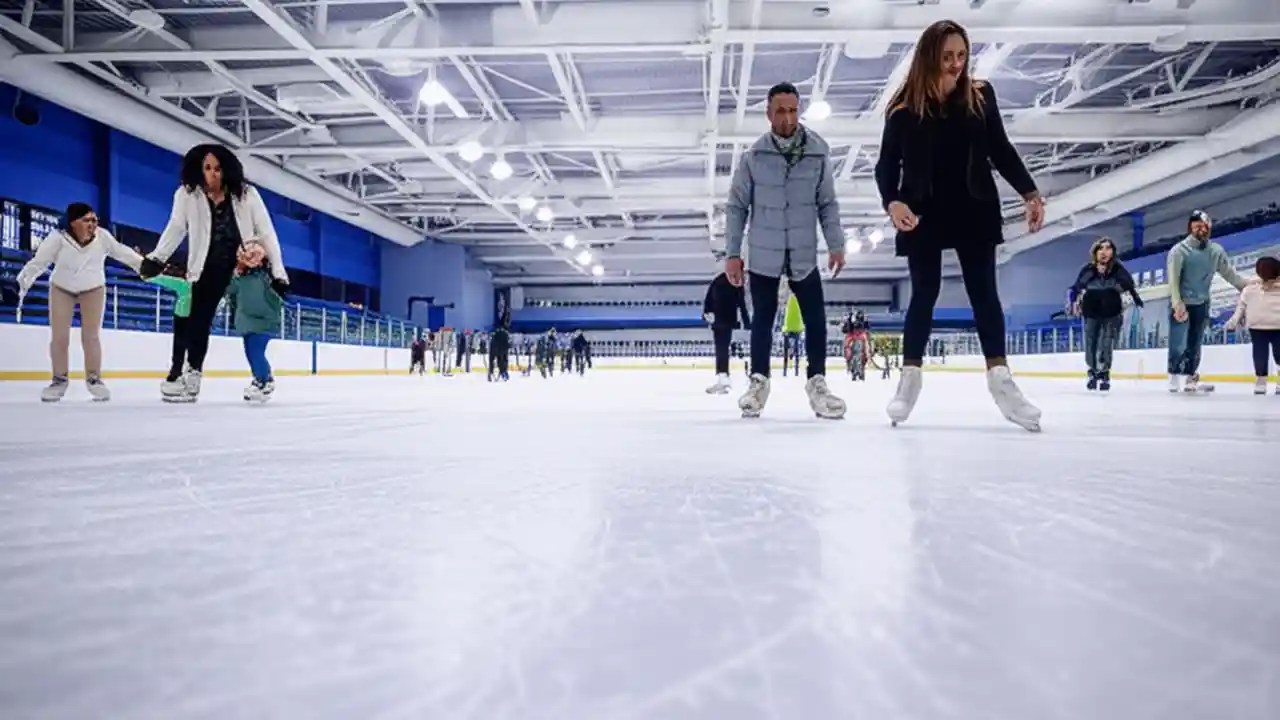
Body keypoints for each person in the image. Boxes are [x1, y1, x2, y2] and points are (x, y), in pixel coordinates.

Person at [874, 19, 1046, 431]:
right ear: (929, 56)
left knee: (984, 292)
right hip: (922, 211)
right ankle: (909, 381)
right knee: (925, 293)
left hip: (974, 205)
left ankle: (1002, 381)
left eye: (961, 56)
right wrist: (892, 201)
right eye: (947, 56)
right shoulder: (902, 109)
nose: (955, 65)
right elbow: (885, 166)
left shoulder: (981, 96)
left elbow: (1000, 149)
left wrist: (1030, 193)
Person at [724, 81, 847, 419]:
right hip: (764, 254)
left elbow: (828, 204)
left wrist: (836, 244)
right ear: (768, 113)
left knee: (816, 320)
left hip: (804, 253)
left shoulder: (818, 153)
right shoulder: (754, 157)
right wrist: (732, 253)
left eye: (793, 110)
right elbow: (736, 207)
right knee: (762, 319)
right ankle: (759, 382)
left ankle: (818, 383)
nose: (788, 118)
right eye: (780, 110)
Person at [139, 144, 289, 402]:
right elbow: (176, 228)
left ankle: (262, 379)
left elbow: (266, 232)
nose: (213, 174)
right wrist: (157, 257)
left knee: (251, 325)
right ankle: (191, 377)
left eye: (218, 168)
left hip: (244, 269)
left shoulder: (247, 194)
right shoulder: (186, 195)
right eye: (207, 168)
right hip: (206, 268)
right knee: (197, 322)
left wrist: (278, 272)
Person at [17, 202, 142, 402]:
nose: (93, 224)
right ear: (74, 222)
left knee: (91, 336)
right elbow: (39, 262)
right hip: (61, 288)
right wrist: (22, 283)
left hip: (93, 288)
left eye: (95, 220)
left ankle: (94, 379)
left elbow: (121, 252)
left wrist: (143, 266)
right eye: (87, 220)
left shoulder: (102, 237)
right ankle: (59, 380)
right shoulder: (57, 239)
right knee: (60, 337)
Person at [1166, 210, 1249, 393]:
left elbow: (1230, 274)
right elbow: (1173, 280)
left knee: (1195, 342)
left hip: (1201, 303)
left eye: (1203, 226)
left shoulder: (1215, 251)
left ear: (1209, 228)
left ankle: (1190, 376)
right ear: (1190, 228)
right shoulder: (1179, 250)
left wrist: (1249, 286)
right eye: (1196, 226)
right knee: (1178, 342)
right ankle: (1173, 376)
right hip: (1181, 302)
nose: (1200, 230)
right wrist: (1177, 303)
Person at [1069, 237, 1143, 392]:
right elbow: (1076, 287)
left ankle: (1104, 372)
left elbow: (1129, 284)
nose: (1104, 252)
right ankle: (1092, 371)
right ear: (1095, 252)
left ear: (1112, 252)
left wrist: (1133, 298)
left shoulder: (1117, 269)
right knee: (1091, 342)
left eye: (1108, 248)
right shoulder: (1088, 270)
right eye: (1101, 248)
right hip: (1091, 310)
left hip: (1111, 310)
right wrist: (1073, 303)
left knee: (1106, 342)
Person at [224, 242, 282, 403]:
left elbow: (276, 296)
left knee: (256, 353)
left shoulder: (265, 278)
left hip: (264, 322)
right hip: (247, 322)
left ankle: (265, 380)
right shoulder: (240, 279)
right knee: (251, 353)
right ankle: (260, 379)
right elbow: (230, 292)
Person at [1225, 255, 1280, 395]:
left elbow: (1241, 308)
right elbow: (1241, 307)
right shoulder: (1251, 288)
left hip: (1270, 326)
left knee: (1269, 354)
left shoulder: (1250, 288)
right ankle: (1261, 380)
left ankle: (1262, 381)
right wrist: (1233, 321)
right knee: (1261, 354)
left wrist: (1234, 321)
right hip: (1258, 327)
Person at [145, 261, 194, 400]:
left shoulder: (187, 285)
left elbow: (165, 280)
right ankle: (177, 373)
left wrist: (149, 276)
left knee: (182, 348)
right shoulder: (184, 284)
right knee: (181, 348)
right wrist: (151, 276)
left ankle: (178, 373)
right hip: (183, 318)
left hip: (188, 319)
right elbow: (166, 281)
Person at [702, 270, 751, 394]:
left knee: (722, 348)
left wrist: (706, 313)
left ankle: (723, 377)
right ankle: (723, 377)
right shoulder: (731, 281)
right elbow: (741, 303)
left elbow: (709, 299)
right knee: (722, 348)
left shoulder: (721, 280)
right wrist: (747, 322)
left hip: (720, 319)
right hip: (724, 319)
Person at [779, 288, 804, 378]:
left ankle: (785, 371)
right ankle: (796, 370)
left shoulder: (788, 299)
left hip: (788, 328)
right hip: (797, 327)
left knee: (786, 351)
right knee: (797, 350)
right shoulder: (801, 298)